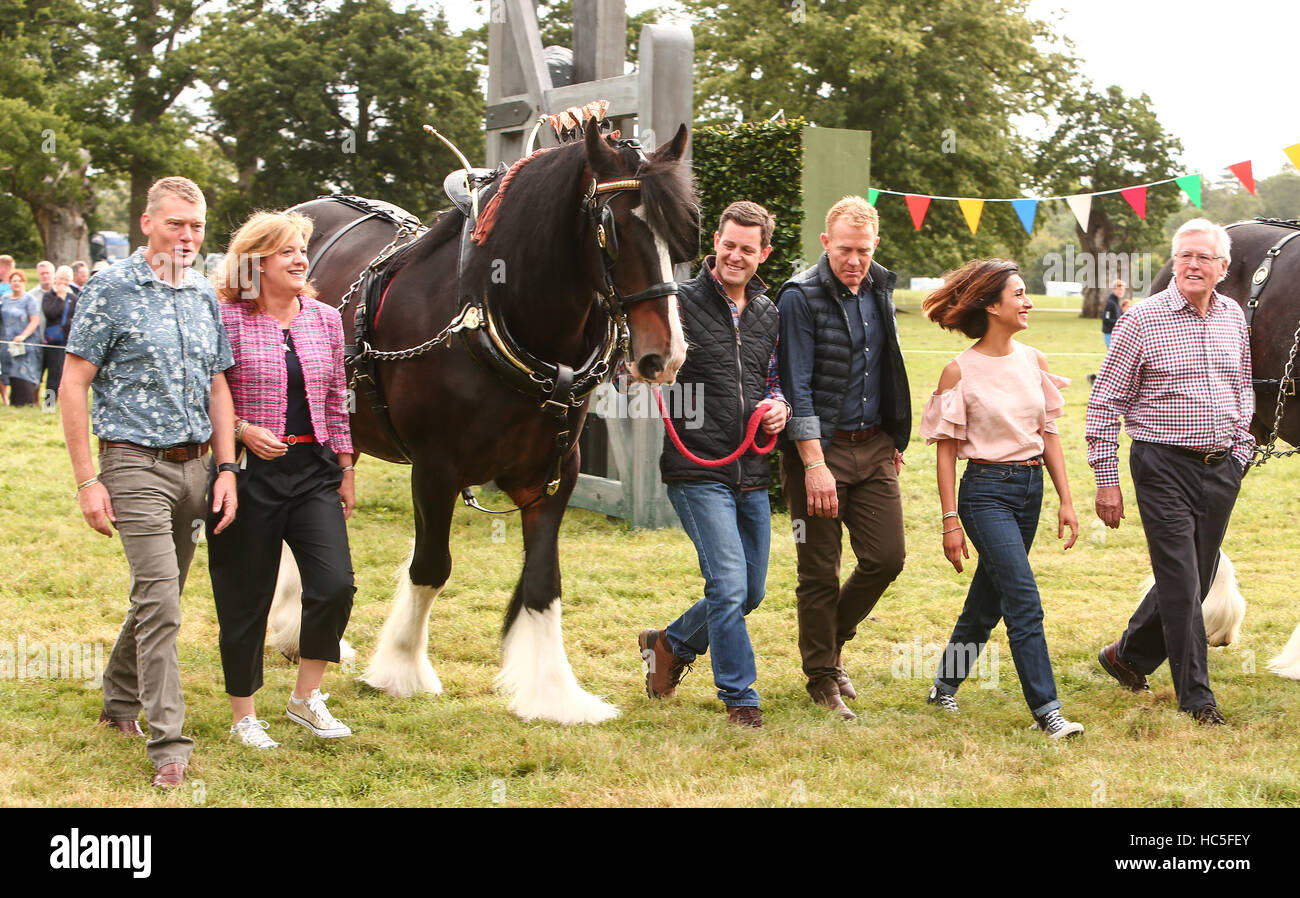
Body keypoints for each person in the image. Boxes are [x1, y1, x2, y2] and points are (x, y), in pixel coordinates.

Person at [60, 175, 239, 789]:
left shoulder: (203, 296)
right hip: (133, 465)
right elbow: (74, 383)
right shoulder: (110, 288)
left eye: (195, 226)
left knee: (159, 598)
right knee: (160, 601)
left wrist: (226, 467)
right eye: (175, 224)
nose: (186, 237)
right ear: (147, 224)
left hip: (197, 467)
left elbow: (220, 385)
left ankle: (116, 694)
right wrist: (88, 480)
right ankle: (169, 744)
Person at [1087, 219, 1252, 726]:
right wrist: (1106, 478)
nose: (1193, 265)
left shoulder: (1233, 317)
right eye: (1184, 256)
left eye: (1204, 257)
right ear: (1174, 261)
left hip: (1222, 467)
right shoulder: (1143, 320)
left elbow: (1243, 385)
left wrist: (1241, 448)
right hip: (1162, 466)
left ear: (1223, 268)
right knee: (1181, 582)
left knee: (1196, 580)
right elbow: (1103, 404)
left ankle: (1127, 656)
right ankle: (1197, 698)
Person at [636, 201, 789, 729]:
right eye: (729, 244)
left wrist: (780, 406)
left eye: (748, 249)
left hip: (752, 470)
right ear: (716, 244)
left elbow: (776, 379)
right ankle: (740, 698)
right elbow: (641, 358)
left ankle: (668, 643)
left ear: (763, 253)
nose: (736, 256)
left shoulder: (771, 312)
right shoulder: (677, 303)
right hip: (696, 466)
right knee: (727, 585)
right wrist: (649, 371)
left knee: (751, 591)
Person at [918, 259, 1084, 738]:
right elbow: (946, 454)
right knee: (1023, 600)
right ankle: (1047, 711)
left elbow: (1048, 434)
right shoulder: (959, 371)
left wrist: (1066, 501)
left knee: (989, 599)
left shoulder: (1035, 360)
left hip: (1029, 490)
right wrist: (950, 521)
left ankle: (943, 685)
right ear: (992, 305)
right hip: (985, 494)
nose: (1028, 302)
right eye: (1019, 294)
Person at [209, 210, 357, 748]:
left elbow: (336, 401)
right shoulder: (224, 318)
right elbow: (207, 399)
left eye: (302, 248)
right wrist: (245, 431)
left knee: (335, 584)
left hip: (313, 470)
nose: (300, 259)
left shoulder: (325, 319)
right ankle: (244, 715)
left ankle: (305, 698)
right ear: (256, 263)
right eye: (286, 251)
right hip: (247, 476)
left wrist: (344, 467)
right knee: (245, 595)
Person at [777, 195, 911, 720]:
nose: (853, 260)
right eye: (844, 250)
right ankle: (821, 677)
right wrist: (814, 464)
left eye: (862, 249)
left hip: (874, 446)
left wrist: (894, 440)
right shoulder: (800, 296)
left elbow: (887, 369)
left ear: (874, 245)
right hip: (819, 449)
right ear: (825, 243)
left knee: (887, 557)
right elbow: (797, 385)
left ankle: (830, 645)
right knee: (819, 570)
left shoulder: (880, 286)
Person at [1, 269, 43, 406]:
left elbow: (35, 320)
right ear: (10, 283)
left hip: (25, 343)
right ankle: (11, 402)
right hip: (6, 343)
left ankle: (47, 405)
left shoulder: (29, 299)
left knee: (24, 372)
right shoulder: (5, 299)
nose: (16, 283)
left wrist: (23, 335)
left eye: (19, 281)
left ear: (24, 282)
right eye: (14, 281)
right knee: (9, 372)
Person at [39, 265, 75, 406]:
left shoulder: (73, 297)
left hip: (66, 341)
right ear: (56, 278)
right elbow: (50, 313)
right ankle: (45, 403)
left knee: (59, 375)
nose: (63, 282)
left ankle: (56, 404)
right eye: (61, 278)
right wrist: (60, 298)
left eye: (66, 280)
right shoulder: (49, 296)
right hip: (52, 340)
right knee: (49, 374)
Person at [1101, 279, 1125, 349]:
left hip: (1115, 333)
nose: (1121, 292)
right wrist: (1120, 322)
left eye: (1122, 290)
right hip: (1109, 333)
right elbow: (1106, 319)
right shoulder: (1110, 303)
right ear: (1114, 290)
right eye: (1119, 289)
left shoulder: (1116, 301)